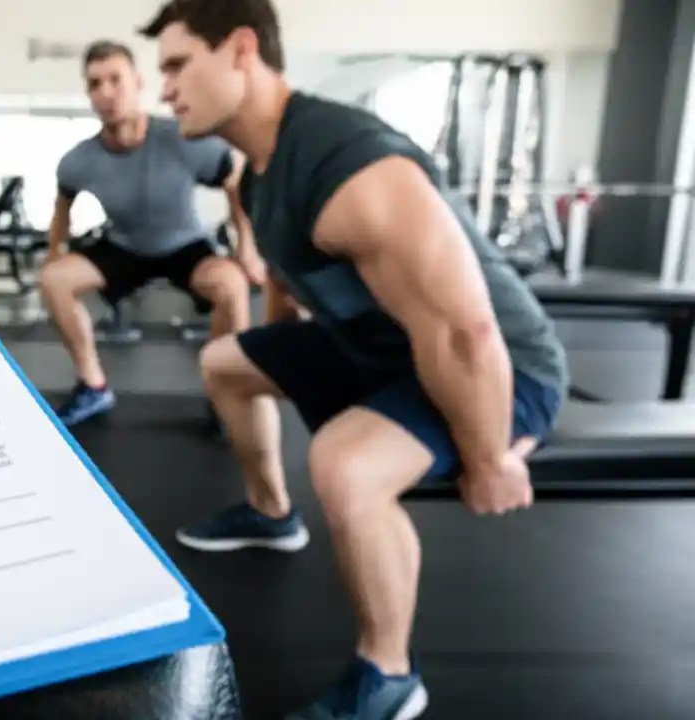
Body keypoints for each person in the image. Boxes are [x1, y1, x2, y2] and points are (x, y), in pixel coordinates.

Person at [137, 2, 570, 719]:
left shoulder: (351, 165)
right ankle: (272, 512)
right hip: (388, 350)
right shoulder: (260, 176)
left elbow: (465, 333)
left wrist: (489, 458)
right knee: (224, 361)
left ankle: (390, 674)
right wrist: (277, 353)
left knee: (344, 466)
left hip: (505, 368)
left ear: (242, 49)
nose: (166, 90)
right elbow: (286, 276)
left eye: (179, 65)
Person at [41, 39, 266, 427]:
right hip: (124, 246)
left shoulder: (183, 139)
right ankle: (93, 385)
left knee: (232, 285)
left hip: (184, 245)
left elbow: (234, 181)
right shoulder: (79, 161)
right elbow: (62, 207)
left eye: (116, 80)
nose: (106, 93)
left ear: (139, 82)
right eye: (95, 84)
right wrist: (54, 251)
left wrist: (247, 248)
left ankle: (224, 391)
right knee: (53, 280)